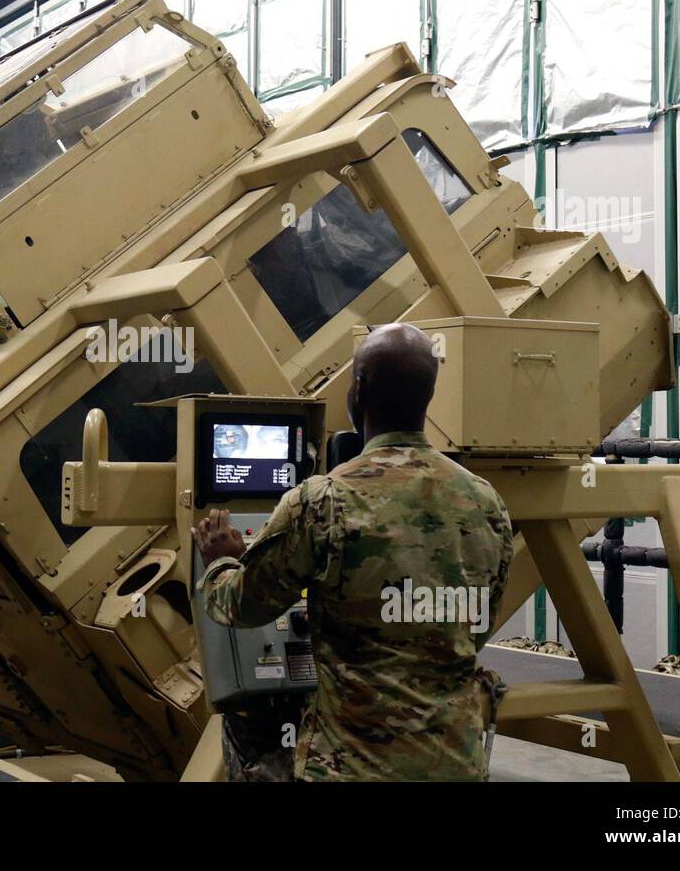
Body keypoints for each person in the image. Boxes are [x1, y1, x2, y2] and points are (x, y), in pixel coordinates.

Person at [196, 323, 514, 781]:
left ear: (359, 390)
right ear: (427, 395)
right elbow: (477, 627)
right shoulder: (486, 501)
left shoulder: (322, 500)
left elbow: (241, 606)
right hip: (457, 763)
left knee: (247, 722)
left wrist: (222, 562)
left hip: (353, 768)